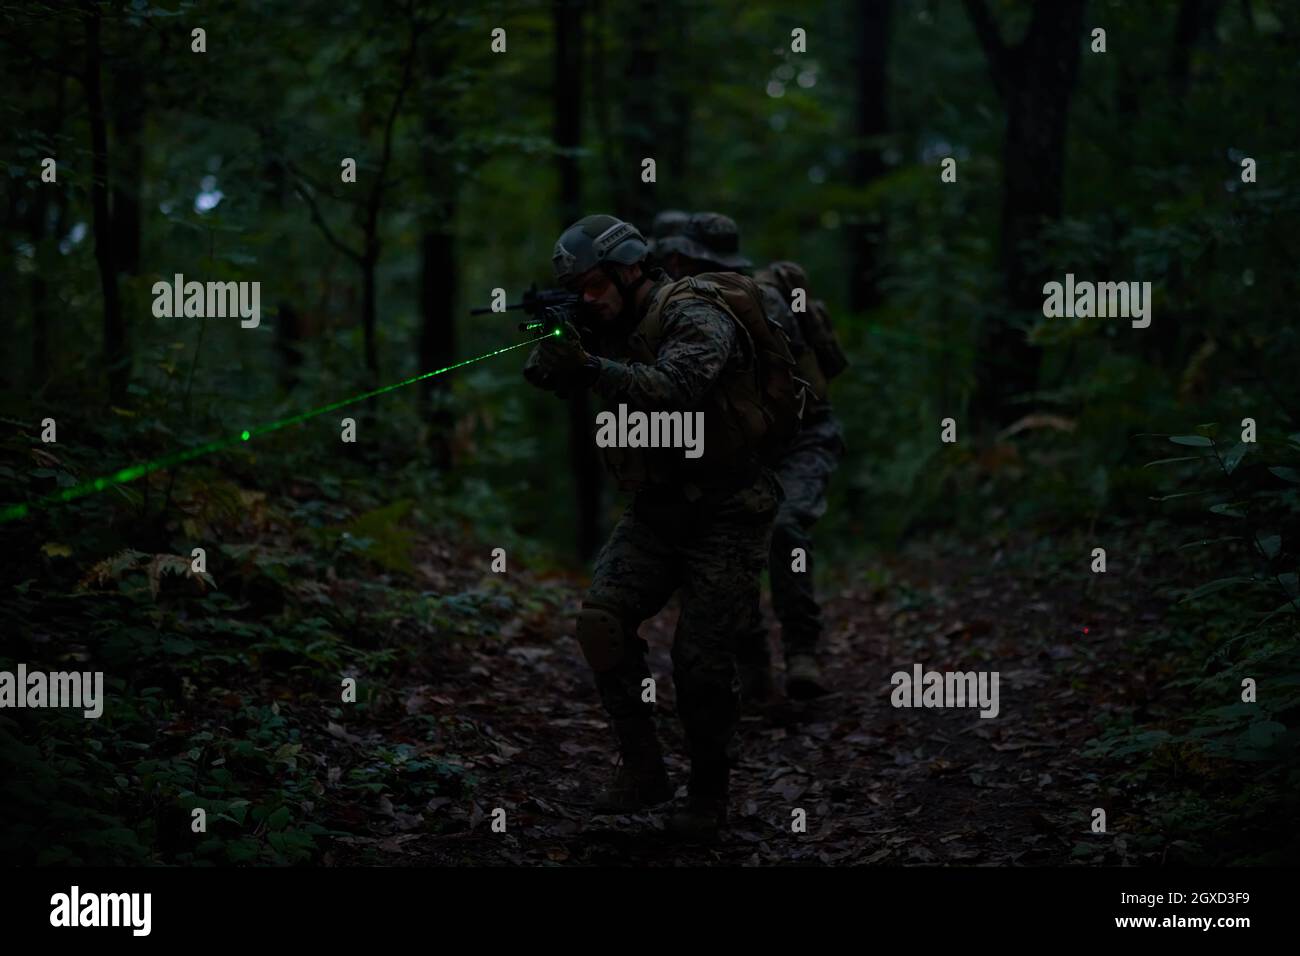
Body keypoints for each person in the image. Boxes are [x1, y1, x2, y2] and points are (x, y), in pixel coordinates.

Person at [523, 214, 788, 840]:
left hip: (729, 508)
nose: (591, 298)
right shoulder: (603, 322)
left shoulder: (692, 309)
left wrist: (590, 366)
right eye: (580, 288)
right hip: (657, 509)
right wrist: (563, 333)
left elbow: (679, 389)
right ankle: (642, 768)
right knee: (601, 622)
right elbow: (541, 375)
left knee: (698, 664)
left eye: (594, 286)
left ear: (630, 267)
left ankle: (708, 794)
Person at [656, 212, 847, 701]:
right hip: (745, 452)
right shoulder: (679, 306)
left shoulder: (764, 302)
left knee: (784, 528)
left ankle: (803, 651)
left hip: (802, 440)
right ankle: (755, 665)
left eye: (682, 259)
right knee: (727, 545)